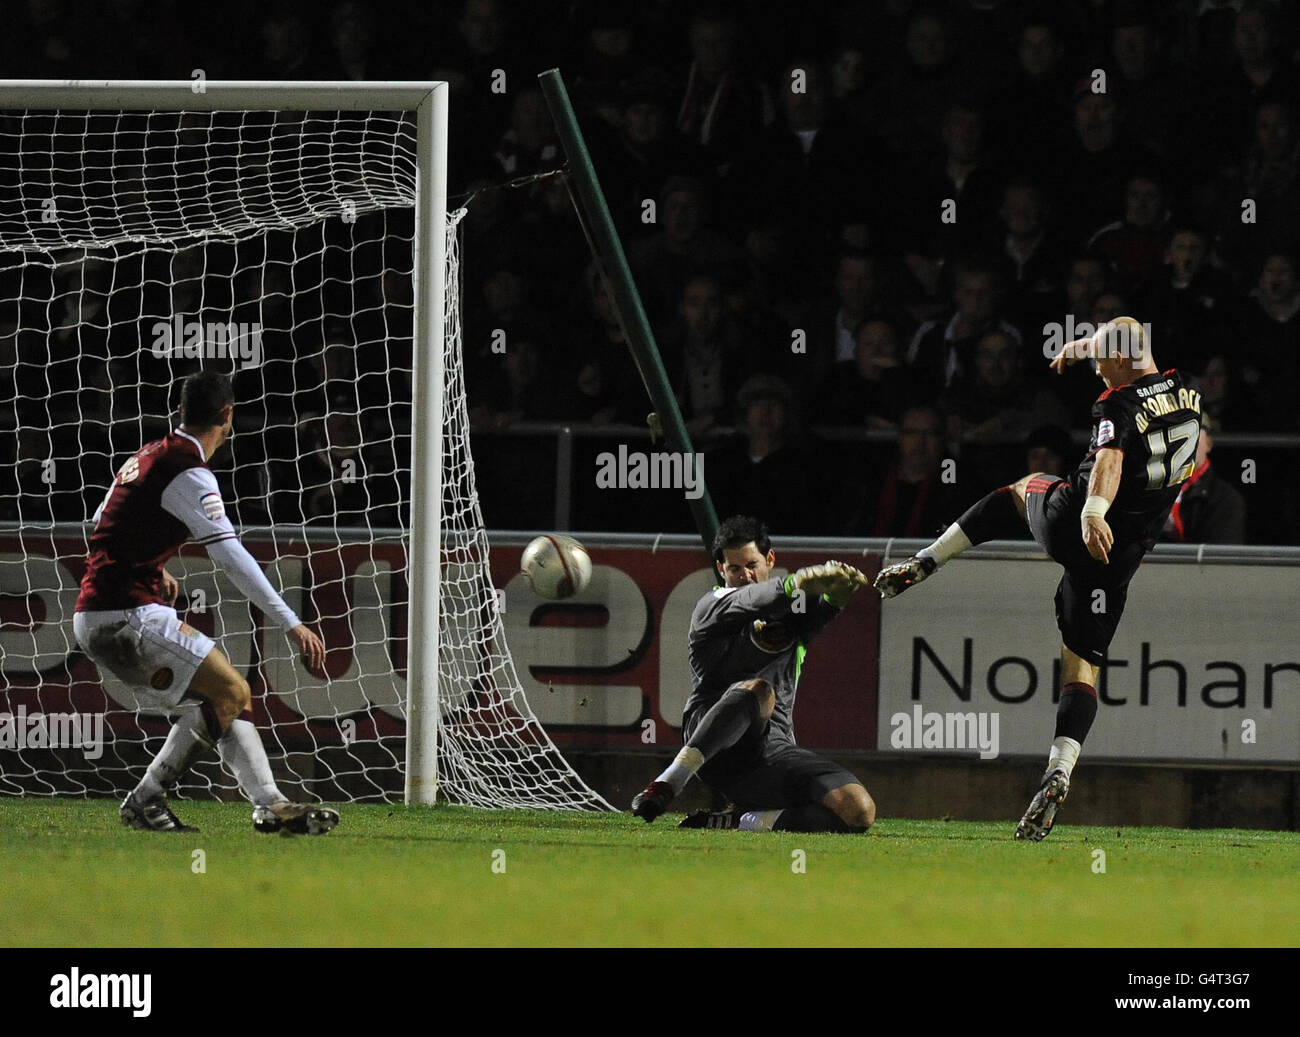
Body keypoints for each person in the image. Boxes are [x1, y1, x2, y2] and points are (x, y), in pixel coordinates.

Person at [875, 317, 1202, 840]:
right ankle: (1060, 769)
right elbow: (1132, 364)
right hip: (1118, 559)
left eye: (1100, 364)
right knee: (1082, 669)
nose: (1096, 373)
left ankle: (927, 560)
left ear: (1119, 363)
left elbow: (1109, 460)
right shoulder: (1187, 389)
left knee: (1019, 489)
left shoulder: (1113, 406)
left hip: (1077, 524)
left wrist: (1093, 509)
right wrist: (1086, 346)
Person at [73, 371, 337, 836]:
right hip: (126, 616)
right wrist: (291, 621)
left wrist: (155, 566)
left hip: (103, 612)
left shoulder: (150, 454)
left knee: (227, 696)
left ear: (181, 411)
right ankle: (145, 799)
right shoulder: (189, 470)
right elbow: (230, 553)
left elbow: (100, 520)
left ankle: (270, 804)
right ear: (228, 415)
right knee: (231, 693)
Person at [630, 515, 876, 832]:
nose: (745, 576)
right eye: (734, 568)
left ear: (769, 559)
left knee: (857, 811)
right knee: (759, 691)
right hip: (712, 747)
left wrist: (839, 592)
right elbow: (752, 598)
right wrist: (794, 583)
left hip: (772, 755)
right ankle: (668, 782)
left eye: (752, 565)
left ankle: (741, 821)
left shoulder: (791, 616)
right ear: (721, 569)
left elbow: (820, 611)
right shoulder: (712, 606)